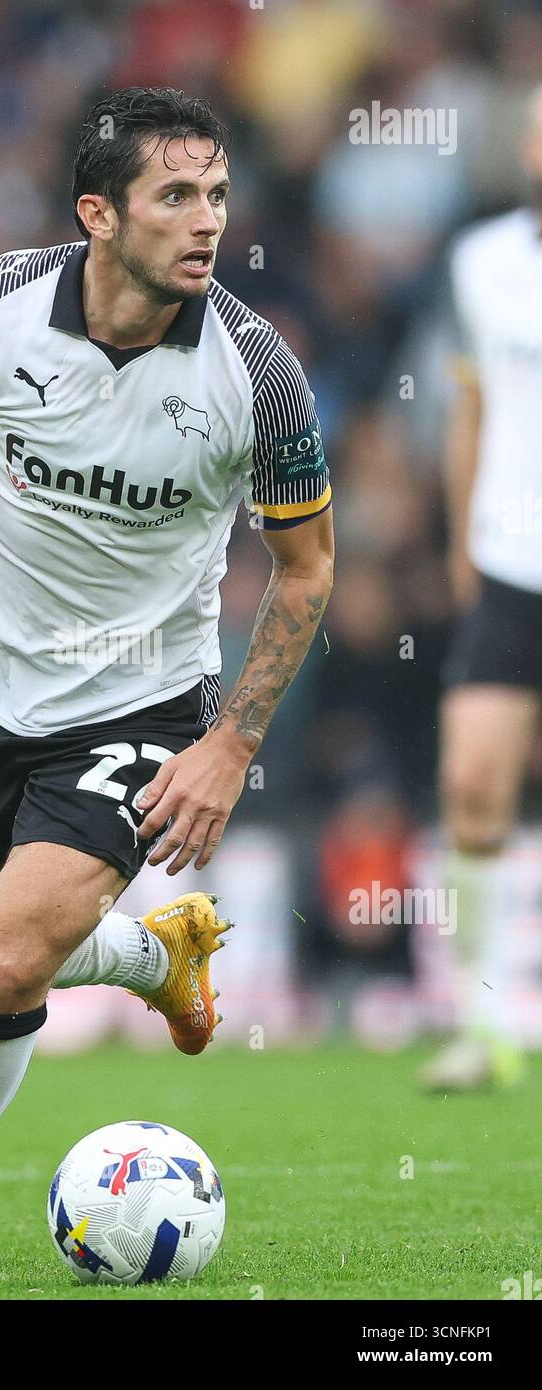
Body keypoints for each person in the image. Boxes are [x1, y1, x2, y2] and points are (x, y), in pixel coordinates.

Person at [0, 87, 334, 1278]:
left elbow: (305, 572)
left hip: (143, 703)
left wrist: (229, 746)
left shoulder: (257, 370)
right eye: (175, 197)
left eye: (215, 195)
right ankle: (156, 958)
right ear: (99, 214)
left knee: (1, 971)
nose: (207, 221)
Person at [425, 85, 542, 1090]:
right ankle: (486, 1026)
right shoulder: (482, 261)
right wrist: (462, 544)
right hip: (511, 562)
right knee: (472, 783)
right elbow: (468, 406)